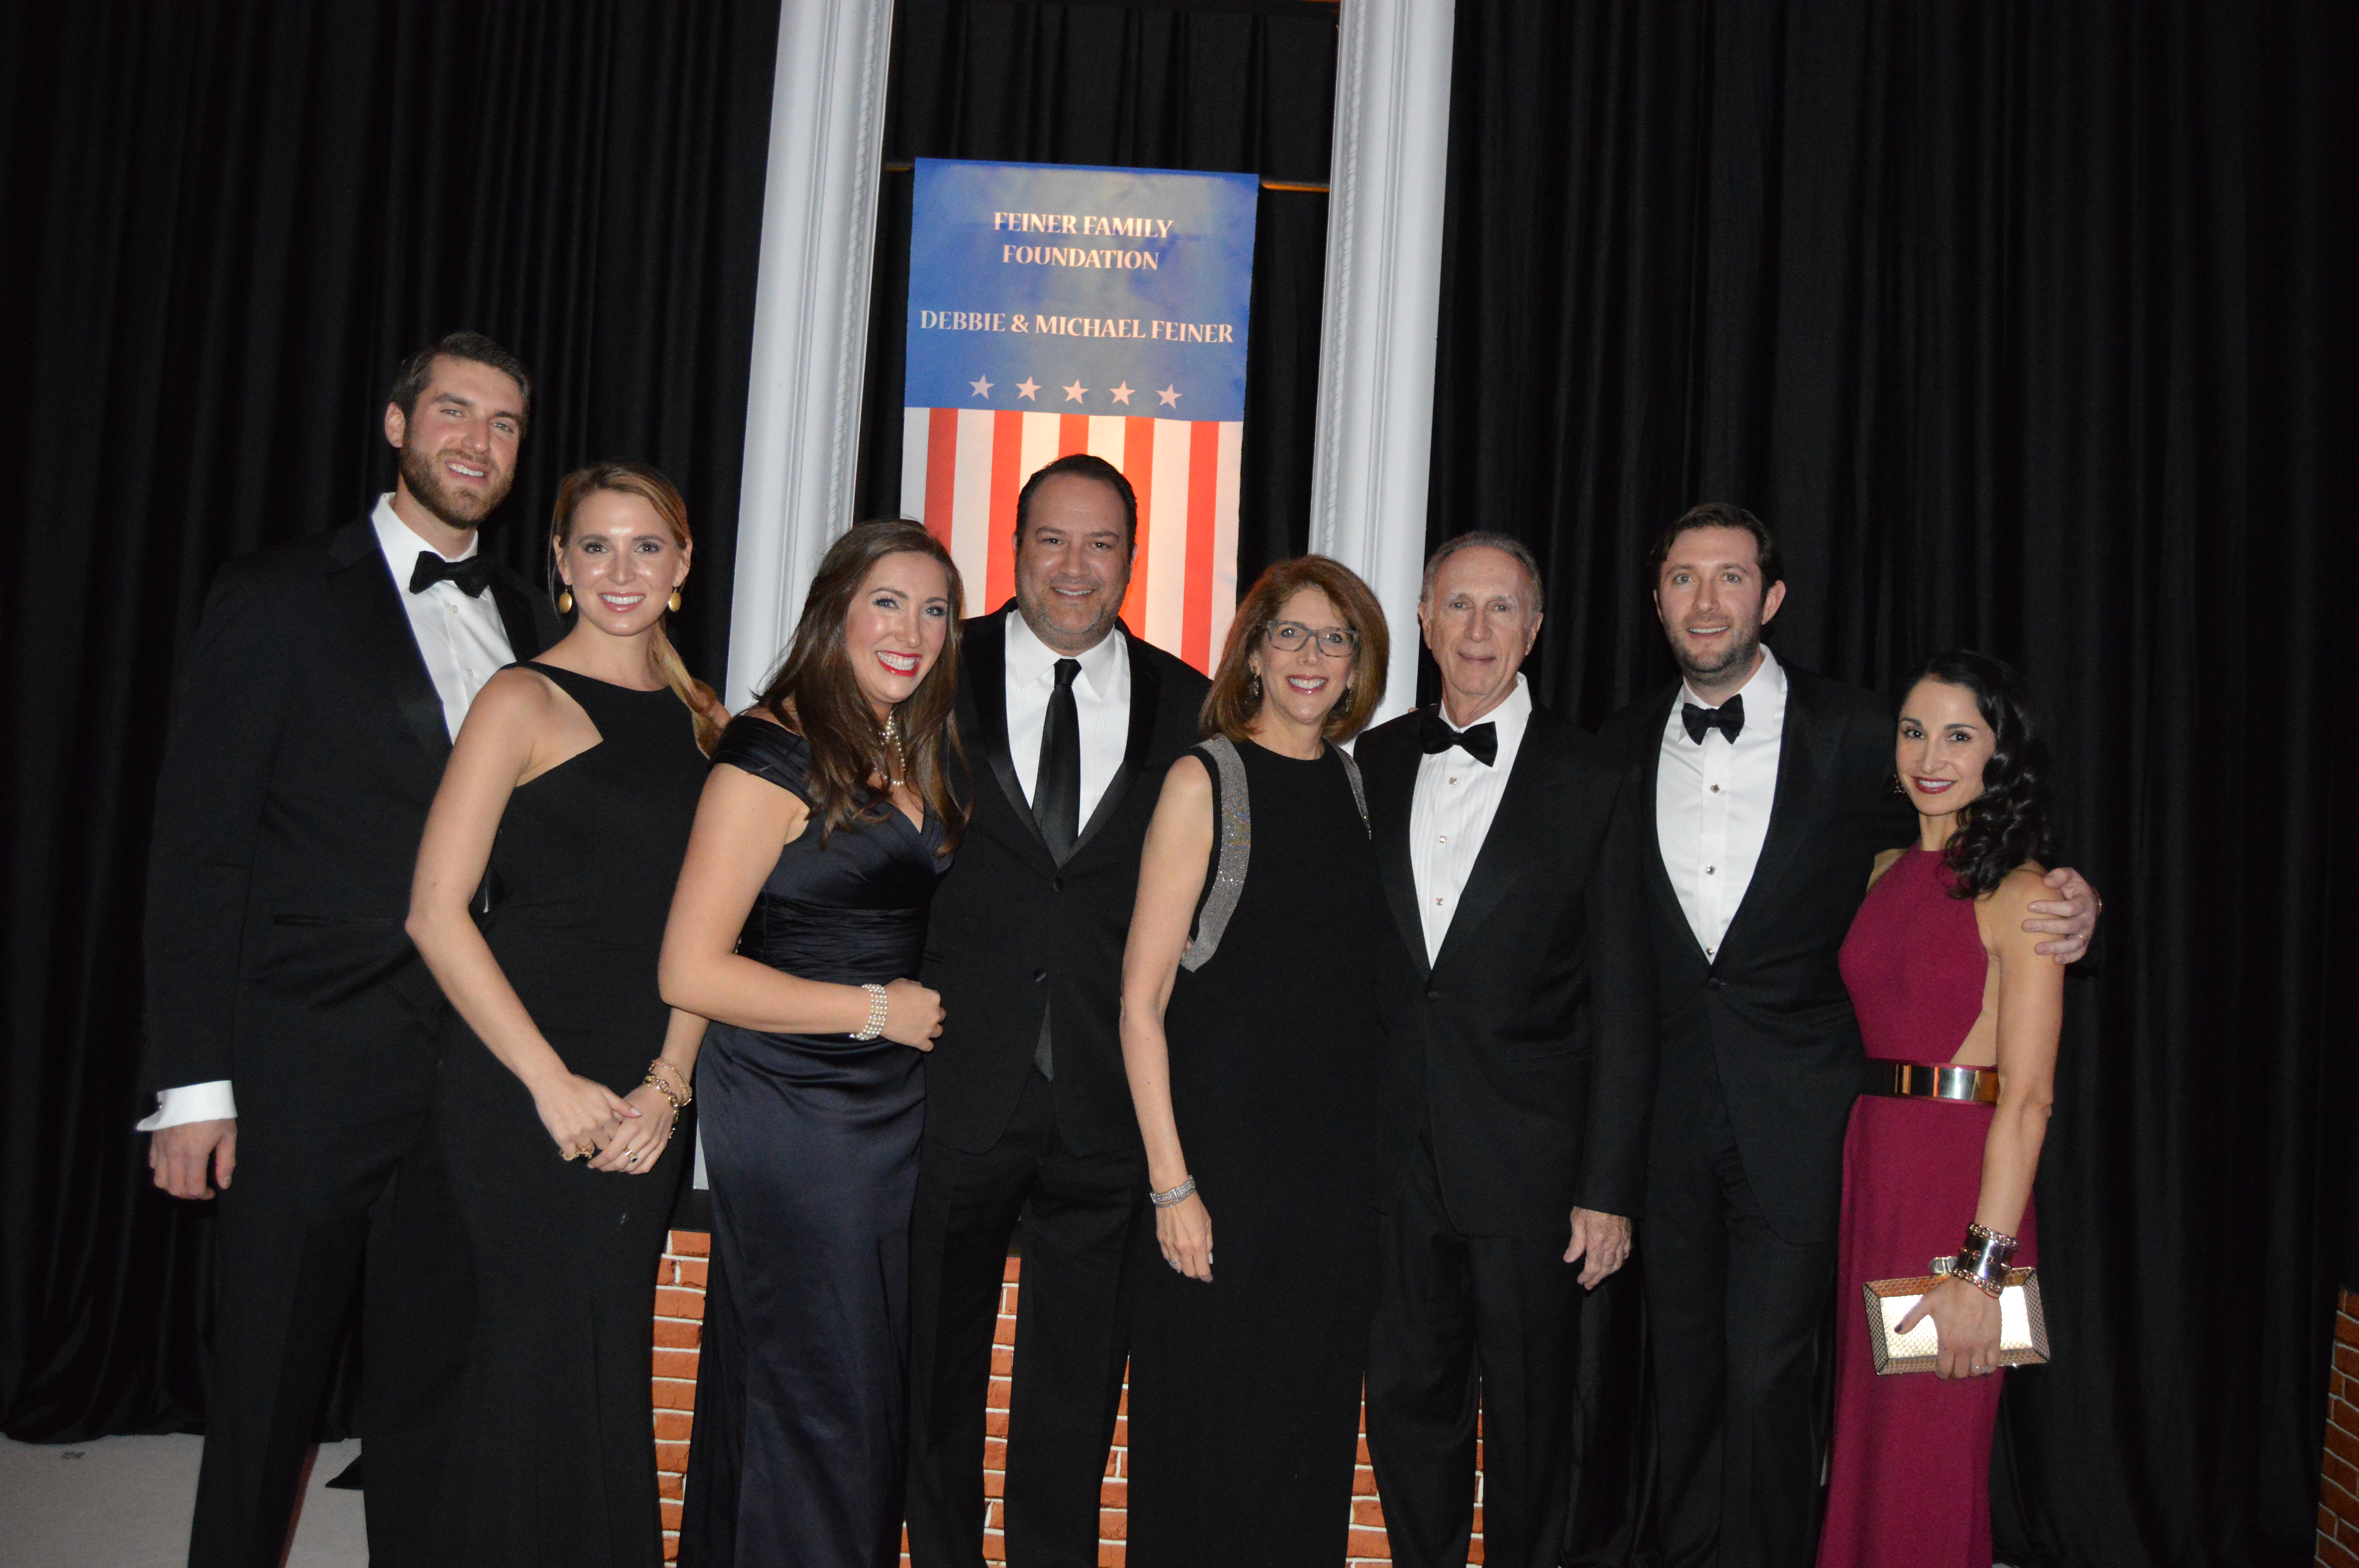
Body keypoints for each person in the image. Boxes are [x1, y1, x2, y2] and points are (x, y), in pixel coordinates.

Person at [1596, 503, 2098, 1568]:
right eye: (1683, 578)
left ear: (1771, 599)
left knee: (1791, 1388)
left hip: (1822, 1133)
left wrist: (2075, 901)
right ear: (1656, 602)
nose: (1707, 599)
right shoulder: (1620, 741)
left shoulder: (1859, 729)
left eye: (1732, 576)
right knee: (1696, 1387)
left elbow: (1998, 900)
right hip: (1735, 1135)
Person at [140, 332, 557, 1567]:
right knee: (266, 1395)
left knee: (434, 1397)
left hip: (470, 1080)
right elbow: (198, 851)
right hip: (305, 1068)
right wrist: (192, 1086)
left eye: (503, 425)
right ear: (396, 425)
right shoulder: (275, 597)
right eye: (453, 412)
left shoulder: (536, 622)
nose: (476, 443)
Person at [405, 461, 722, 1566]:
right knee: (531, 1355)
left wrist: (668, 1083)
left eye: (647, 547)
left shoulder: (705, 721)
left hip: (649, 1078)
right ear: (561, 564)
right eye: (596, 546)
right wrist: (550, 1085)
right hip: (520, 1076)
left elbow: (711, 939)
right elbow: (438, 914)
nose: (621, 570)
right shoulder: (520, 699)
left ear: (683, 566)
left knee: (603, 1353)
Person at [903, 454, 1210, 1568]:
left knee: (1074, 1391)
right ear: (1015, 547)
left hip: (1106, 1099)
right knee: (931, 1371)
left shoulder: (1192, 701)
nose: (1075, 568)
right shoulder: (935, 666)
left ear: (1132, 559)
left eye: (1102, 545)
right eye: (1051, 540)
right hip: (952, 1080)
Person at [658, 519, 964, 1567]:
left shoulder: (889, 737)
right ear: (836, 609)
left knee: (815, 1381)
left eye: (935, 610)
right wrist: (878, 1010)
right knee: (825, 1394)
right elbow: (690, 969)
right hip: (798, 1104)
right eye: (889, 601)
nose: (913, 630)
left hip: (877, 1107)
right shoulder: (773, 750)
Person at [1353, 535, 1654, 1568]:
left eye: (1501, 609)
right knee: (1406, 1408)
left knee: (1534, 1431)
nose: (1477, 631)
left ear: (1533, 630)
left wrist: (1607, 1185)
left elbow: (1626, 999)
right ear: (1425, 620)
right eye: (1457, 606)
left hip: (1537, 1171)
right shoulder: (1376, 761)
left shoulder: (1595, 774)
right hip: (1394, 1160)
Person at [1118, 555, 1396, 1568]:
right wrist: (1171, 1185)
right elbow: (1141, 1004)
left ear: (1360, 661)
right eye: (1292, 635)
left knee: (1305, 1453)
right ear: (1255, 652)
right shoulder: (1208, 779)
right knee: (1207, 1452)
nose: (1313, 657)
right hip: (1220, 1186)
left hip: (1331, 1197)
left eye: (1337, 639)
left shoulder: (1364, 788)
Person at [1816, 652, 2062, 1568]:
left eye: (1960, 735)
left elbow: (2030, 1098)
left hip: (1959, 1188)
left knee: (1928, 1454)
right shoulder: (1883, 864)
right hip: (1875, 1165)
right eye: (1914, 730)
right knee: (1871, 1446)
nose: (1930, 754)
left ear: (2000, 756)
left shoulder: (2024, 892)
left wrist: (1980, 1271)